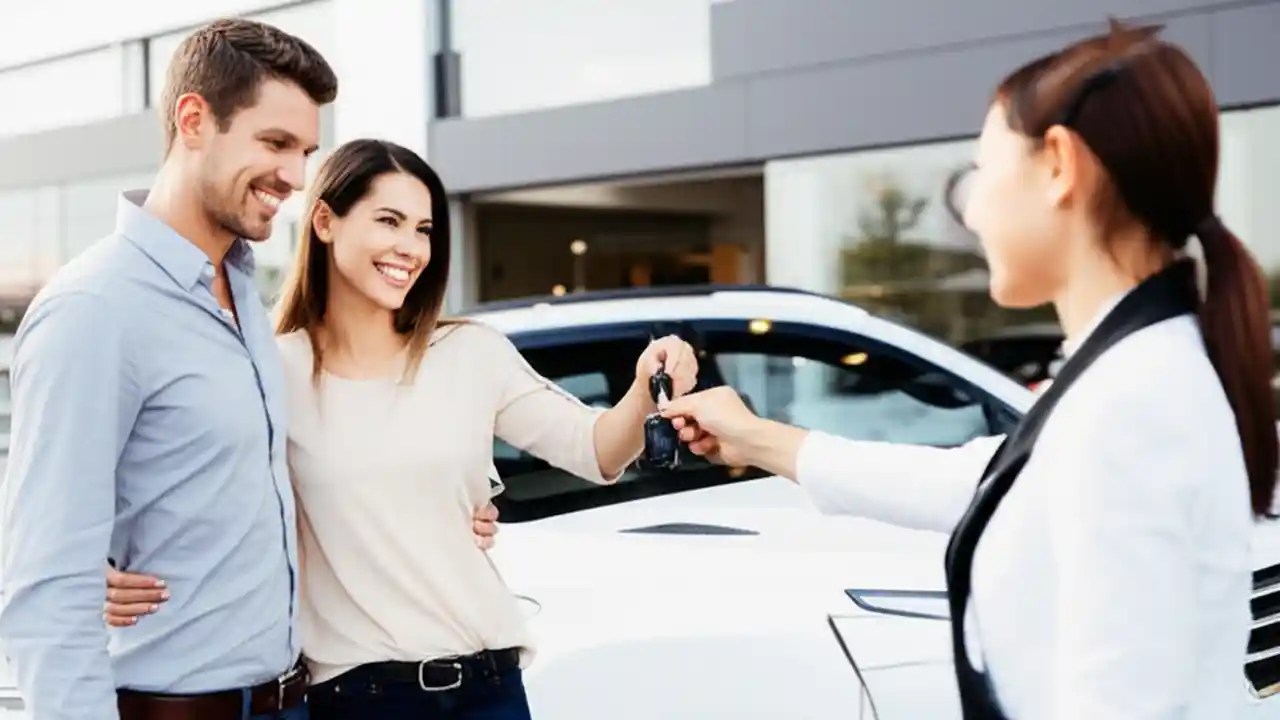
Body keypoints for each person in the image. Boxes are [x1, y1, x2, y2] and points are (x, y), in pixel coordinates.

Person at [657, 20, 1276, 720]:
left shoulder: (1131, 407)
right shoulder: (1128, 375)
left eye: (979, 171)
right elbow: (985, 481)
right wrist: (757, 439)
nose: (973, 211)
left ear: (1059, 167)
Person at [0, 19, 499, 720]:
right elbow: (46, 586)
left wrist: (443, 509)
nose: (295, 176)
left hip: (293, 702)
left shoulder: (246, 304)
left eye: (304, 151)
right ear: (194, 120)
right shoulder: (94, 310)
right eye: (273, 144)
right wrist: (86, 573)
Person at [104, 138, 700, 720]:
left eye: (424, 229)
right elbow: (179, 477)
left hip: (488, 687)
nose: (410, 247)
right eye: (389, 221)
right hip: (353, 699)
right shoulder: (269, 367)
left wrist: (645, 384)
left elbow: (594, 449)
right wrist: (100, 563)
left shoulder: (470, 352)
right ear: (325, 221)